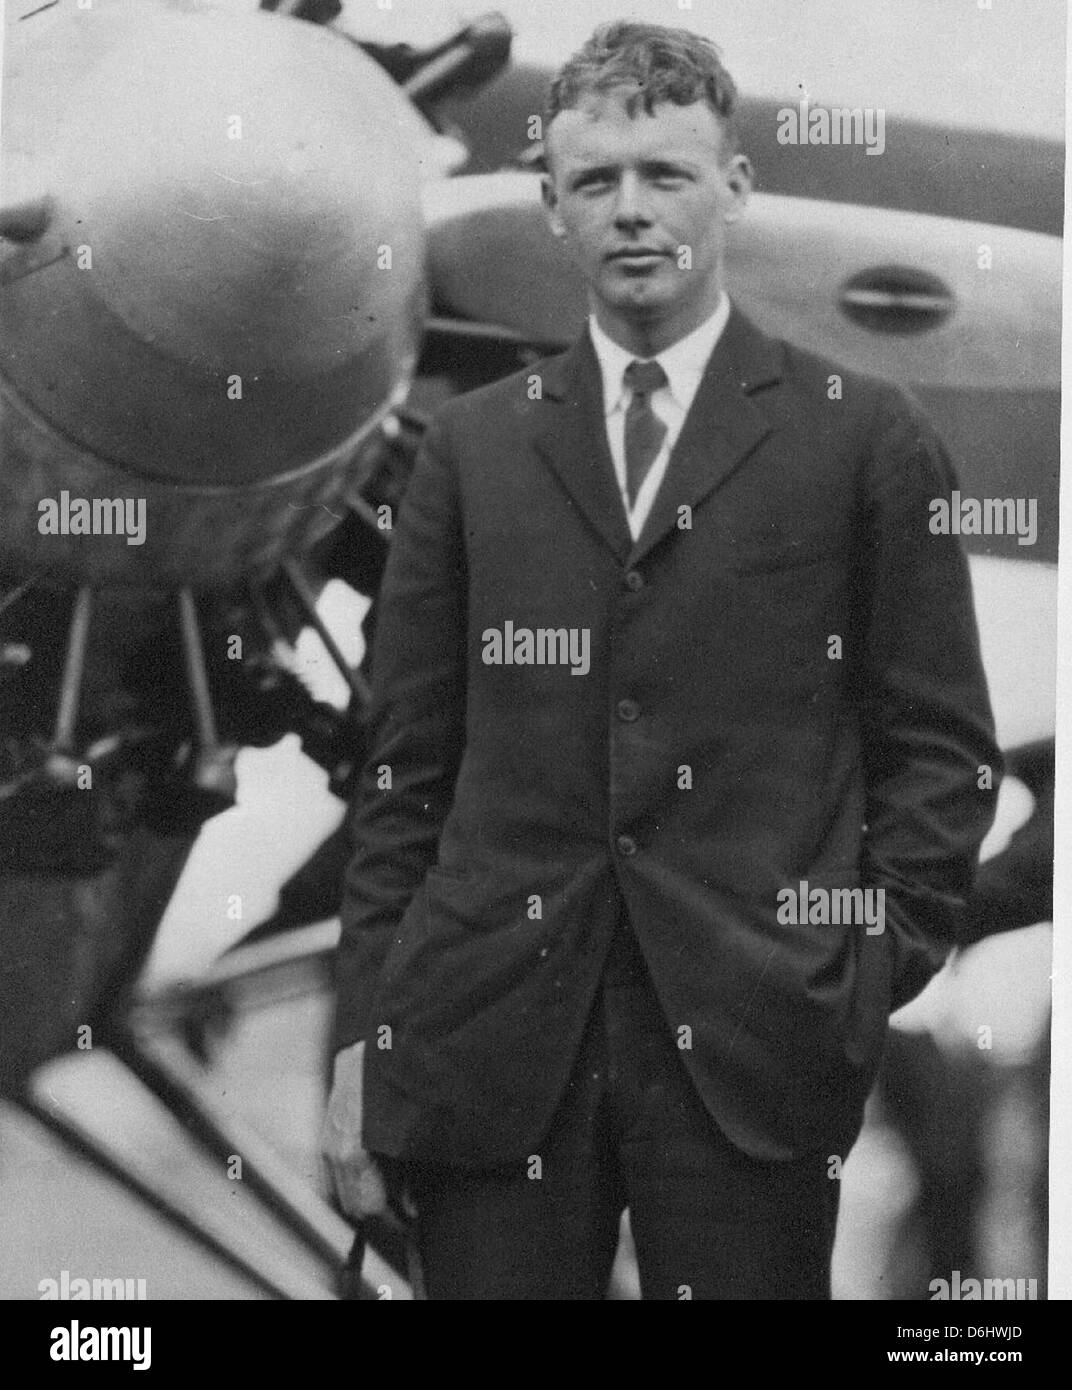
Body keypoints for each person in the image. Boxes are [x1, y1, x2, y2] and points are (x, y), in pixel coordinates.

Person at [322, 20, 1001, 1300]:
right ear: (552, 209)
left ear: (735, 187)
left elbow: (941, 756)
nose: (631, 211)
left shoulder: (865, 441)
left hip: (754, 1057)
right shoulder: (468, 455)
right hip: (485, 1061)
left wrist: (851, 976)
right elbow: (401, 777)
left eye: (667, 175)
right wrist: (367, 1040)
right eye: (595, 183)